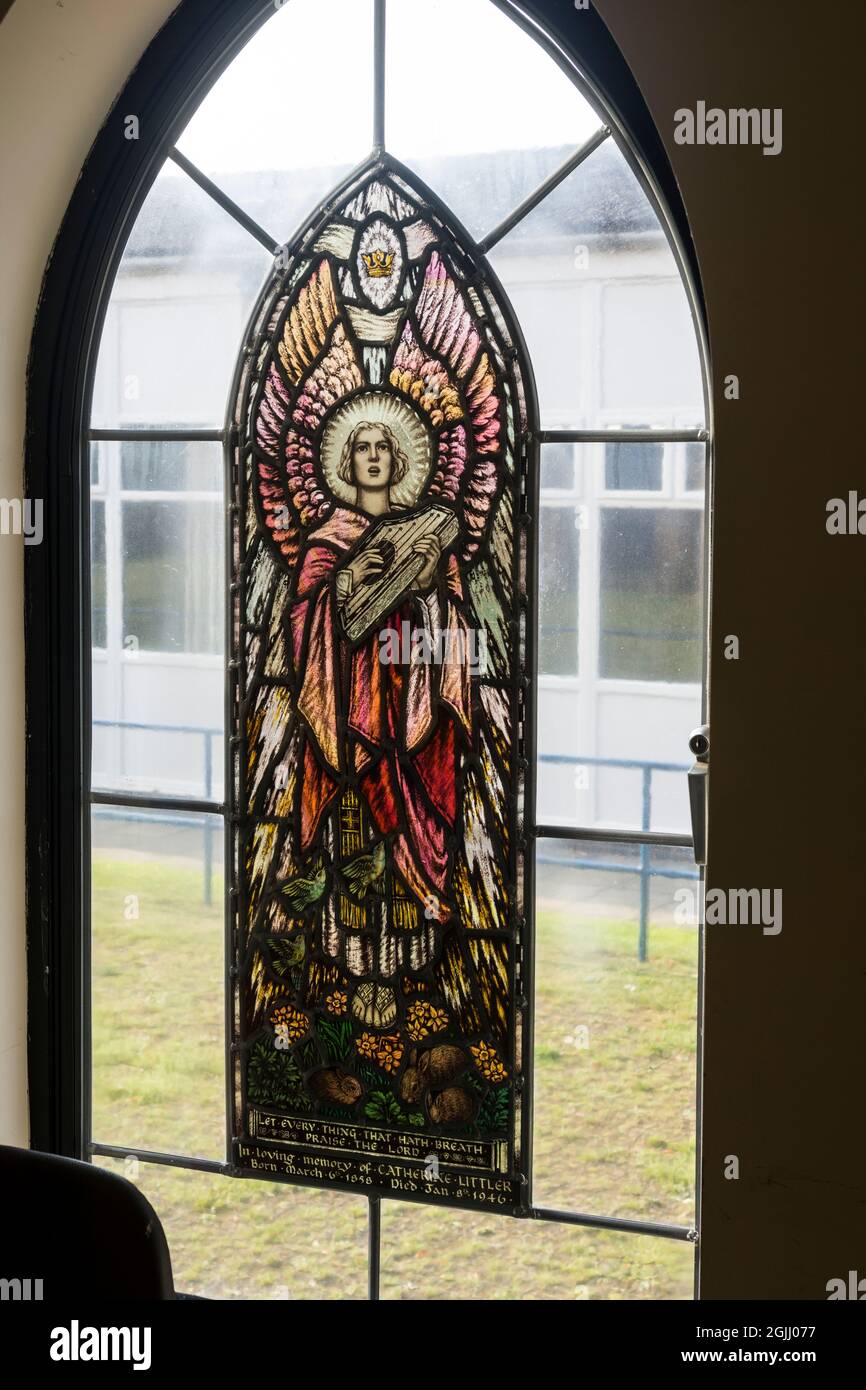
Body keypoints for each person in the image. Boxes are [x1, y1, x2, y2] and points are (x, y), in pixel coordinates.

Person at [289, 417, 472, 981]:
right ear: (347, 465)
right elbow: (300, 627)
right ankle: (349, 963)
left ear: (398, 460)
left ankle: (418, 961)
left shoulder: (429, 540)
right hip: (352, 716)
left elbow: (466, 637)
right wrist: (342, 586)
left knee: (414, 821)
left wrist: (429, 596)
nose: (372, 457)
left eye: (382, 448)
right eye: (361, 449)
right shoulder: (328, 543)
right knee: (356, 833)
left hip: (412, 709)